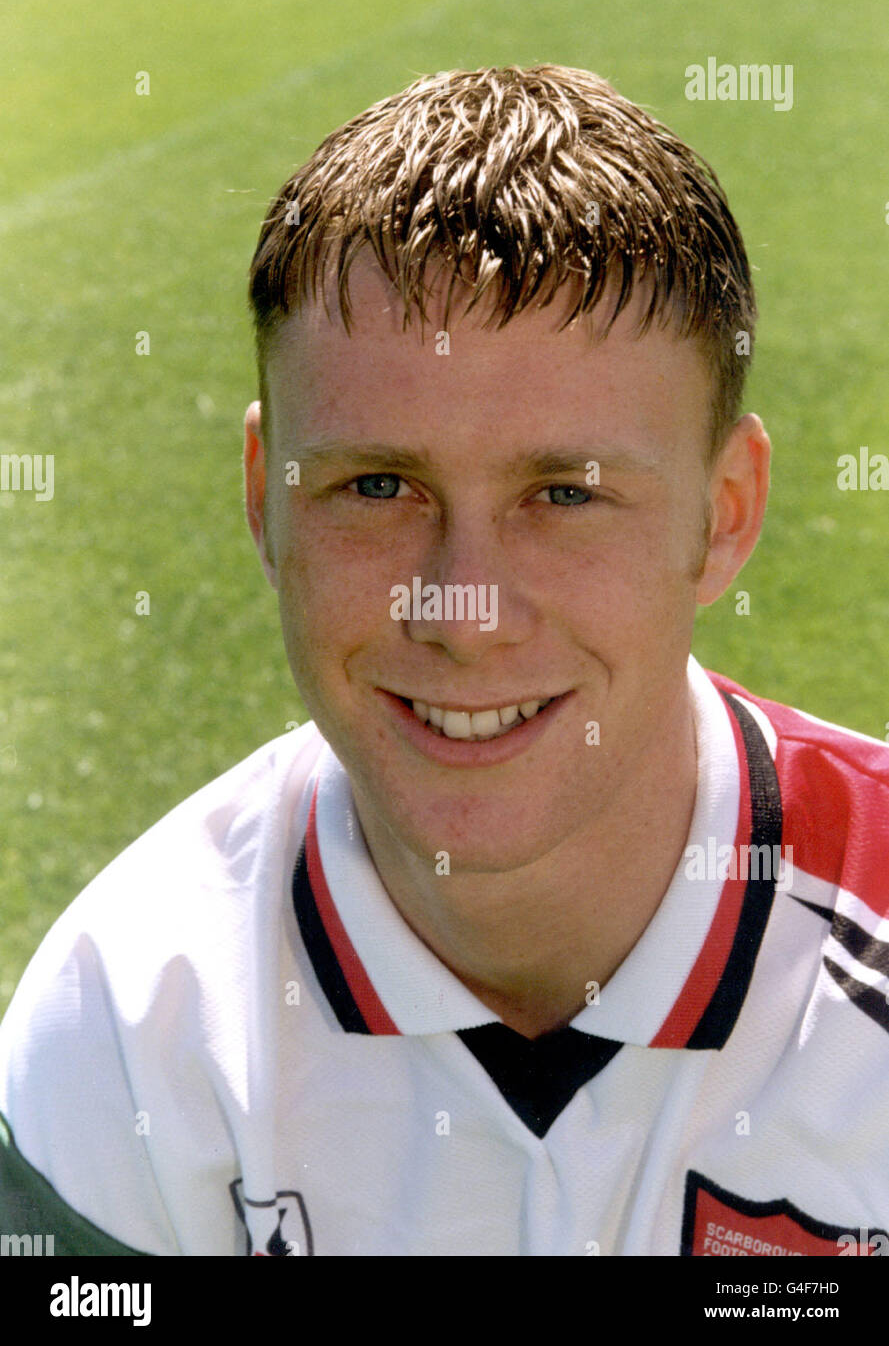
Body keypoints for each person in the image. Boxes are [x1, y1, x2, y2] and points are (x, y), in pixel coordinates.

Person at [2, 64, 887, 1259]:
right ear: (265, 497)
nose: (462, 610)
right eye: (377, 485)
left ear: (723, 514)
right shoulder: (125, 1023)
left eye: (564, 493)